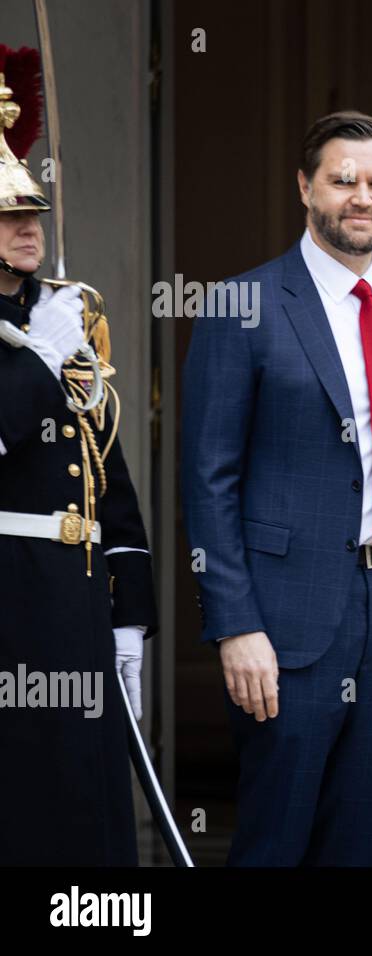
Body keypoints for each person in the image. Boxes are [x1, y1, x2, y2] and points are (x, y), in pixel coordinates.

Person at [181, 111, 372, 866]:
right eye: (344, 181)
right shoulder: (246, 305)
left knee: (361, 836)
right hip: (285, 615)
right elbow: (209, 479)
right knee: (277, 834)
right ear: (306, 188)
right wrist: (235, 626)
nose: (362, 197)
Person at [0, 46, 157, 865]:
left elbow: (105, 471)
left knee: (90, 811)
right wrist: (33, 361)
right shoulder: (41, 336)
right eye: (8, 216)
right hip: (12, 607)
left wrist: (130, 606)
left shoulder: (65, 318)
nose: (29, 227)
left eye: (33, 213)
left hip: (79, 606)